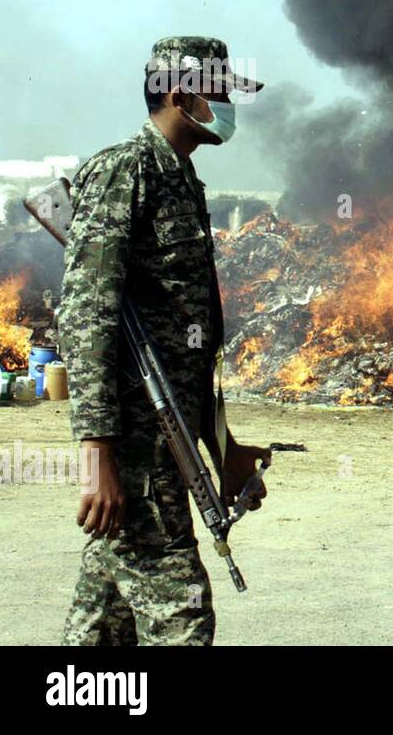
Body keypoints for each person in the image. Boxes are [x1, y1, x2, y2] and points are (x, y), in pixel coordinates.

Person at [59, 36, 270, 645]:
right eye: (219, 91)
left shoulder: (183, 181)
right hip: (134, 449)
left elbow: (185, 345)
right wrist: (96, 453)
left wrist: (221, 447)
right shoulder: (127, 171)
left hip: (167, 441)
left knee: (103, 624)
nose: (227, 103)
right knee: (182, 621)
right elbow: (86, 314)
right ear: (180, 96)